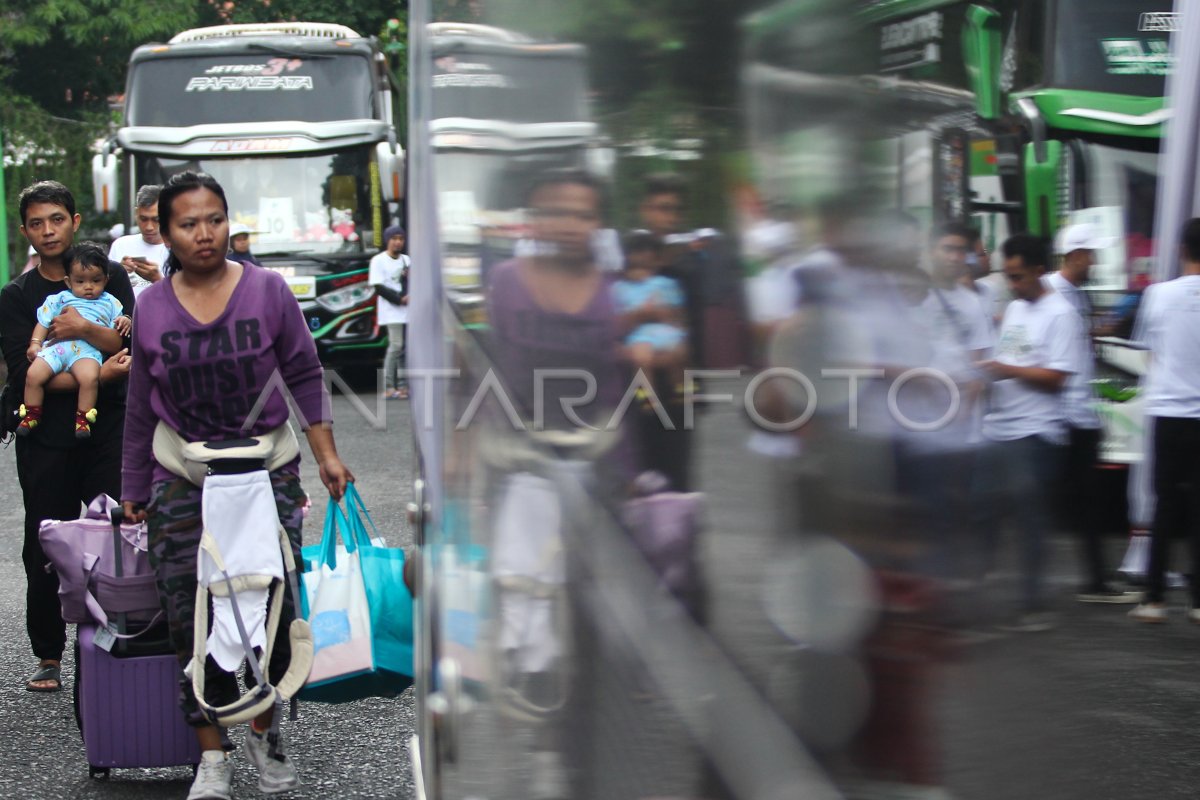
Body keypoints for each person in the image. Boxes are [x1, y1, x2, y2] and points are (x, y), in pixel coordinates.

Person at [120, 171, 353, 798]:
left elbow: (305, 374)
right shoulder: (151, 306)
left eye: (215, 219)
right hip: (183, 476)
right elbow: (142, 403)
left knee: (271, 605)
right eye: (189, 223)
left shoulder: (269, 291)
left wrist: (326, 455)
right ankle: (212, 756)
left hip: (265, 471)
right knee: (187, 614)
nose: (204, 233)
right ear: (165, 232)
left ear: (229, 221)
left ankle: (264, 732)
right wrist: (133, 484)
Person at [0, 180, 134, 693]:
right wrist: (101, 371)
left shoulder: (111, 274)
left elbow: (133, 341)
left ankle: (126, 634)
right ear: (25, 232)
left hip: (109, 429)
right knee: (45, 543)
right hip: (46, 438)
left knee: (123, 534)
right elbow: (22, 373)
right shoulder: (17, 297)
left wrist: (79, 329)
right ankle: (48, 654)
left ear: (75, 222)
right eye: (36, 223)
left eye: (56, 219)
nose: (47, 230)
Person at [972, 233, 1082, 631]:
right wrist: (985, 374)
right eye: (1008, 276)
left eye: (1018, 277)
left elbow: (1057, 377)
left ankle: (1032, 602)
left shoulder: (1061, 314)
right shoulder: (1016, 308)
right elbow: (1008, 356)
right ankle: (972, 598)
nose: (1012, 285)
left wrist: (1005, 370)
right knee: (980, 511)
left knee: (1028, 518)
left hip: (1036, 433)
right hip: (998, 429)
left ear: (1040, 270)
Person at [1046, 223, 1141, 604]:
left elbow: (1079, 343)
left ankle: (1095, 579)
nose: (1096, 261)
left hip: (1080, 412)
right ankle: (1093, 581)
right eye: (1092, 254)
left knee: (1087, 502)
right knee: (1058, 499)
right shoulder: (1053, 293)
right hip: (1061, 415)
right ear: (1076, 255)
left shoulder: (1076, 296)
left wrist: (1107, 326)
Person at [1127, 218, 1200, 623]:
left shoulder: (1158, 295)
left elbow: (1146, 351)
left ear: (1181, 250)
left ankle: (1154, 599)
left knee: (1164, 505)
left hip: (1167, 411)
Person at [18, 242, 131, 438]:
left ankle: (84, 418)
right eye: (80, 281)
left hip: (87, 351)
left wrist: (126, 320)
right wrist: (35, 343)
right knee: (33, 374)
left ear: (106, 279)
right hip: (57, 348)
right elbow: (43, 322)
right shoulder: (59, 299)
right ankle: (32, 412)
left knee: (89, 379)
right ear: (68, 281)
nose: (88, 287)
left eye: (95, 280)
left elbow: (119, 323)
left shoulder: (111, 301)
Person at [613, 230, 687, 377]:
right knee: (641, 359)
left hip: (668, 332)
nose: (644, 256)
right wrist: (642, 314)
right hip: (638, 336)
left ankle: (684, 397)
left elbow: (678, 315)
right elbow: (617, 323)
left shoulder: (666, 283)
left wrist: (664, 314)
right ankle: (646, 400)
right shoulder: (619, 288)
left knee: (680, 356)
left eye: (648, 252)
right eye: (638, 252)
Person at [368, 225, 410, 399]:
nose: (398, 242)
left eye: (400, 239)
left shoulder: (407, 260)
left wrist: (409, 293)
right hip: (391, 311)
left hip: (408, 311)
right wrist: (399, 299)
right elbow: (378, 287)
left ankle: (403, 386)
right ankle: (388, 386)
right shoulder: (378, 260)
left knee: (404, 349)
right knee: (396, 346)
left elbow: (411, 281)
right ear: (388, 240)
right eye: (394, 239)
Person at [108, 184, 168, 294]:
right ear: (136, 213)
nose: (149, 227)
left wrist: (158, 279)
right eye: (143, 219)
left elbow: (186, 300)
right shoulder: (120, 245)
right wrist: (118, 274)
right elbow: (102, 292)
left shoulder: (179, 250)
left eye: (156, 219)